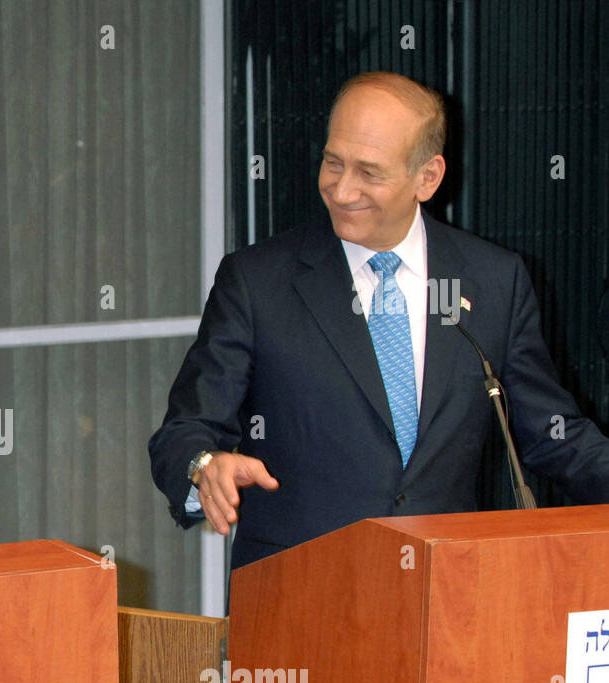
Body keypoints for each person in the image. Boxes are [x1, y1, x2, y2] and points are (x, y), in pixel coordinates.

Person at [149, 71, 609, 570]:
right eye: (332, 163)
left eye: (369, 172)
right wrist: (204, 465)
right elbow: (184, 430)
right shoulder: (258, 281)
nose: (342, 191)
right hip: (299, 600)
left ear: (427, 178)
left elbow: (554, 435)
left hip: (450, 600)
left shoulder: (493, 280)